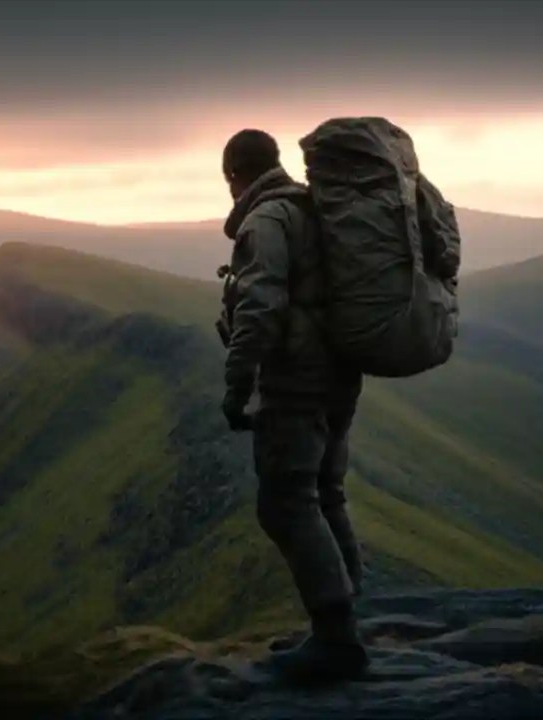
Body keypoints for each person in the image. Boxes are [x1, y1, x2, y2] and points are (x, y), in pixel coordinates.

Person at [218, 128, 368, 681]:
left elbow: (258, 309)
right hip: (340, 377)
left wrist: (238, 386)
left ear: (235, 174)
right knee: (325, 493)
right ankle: (346, 622)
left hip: (296, 383)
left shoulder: (266, 221)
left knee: (285, 502)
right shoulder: (315, 209)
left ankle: (335, 641)